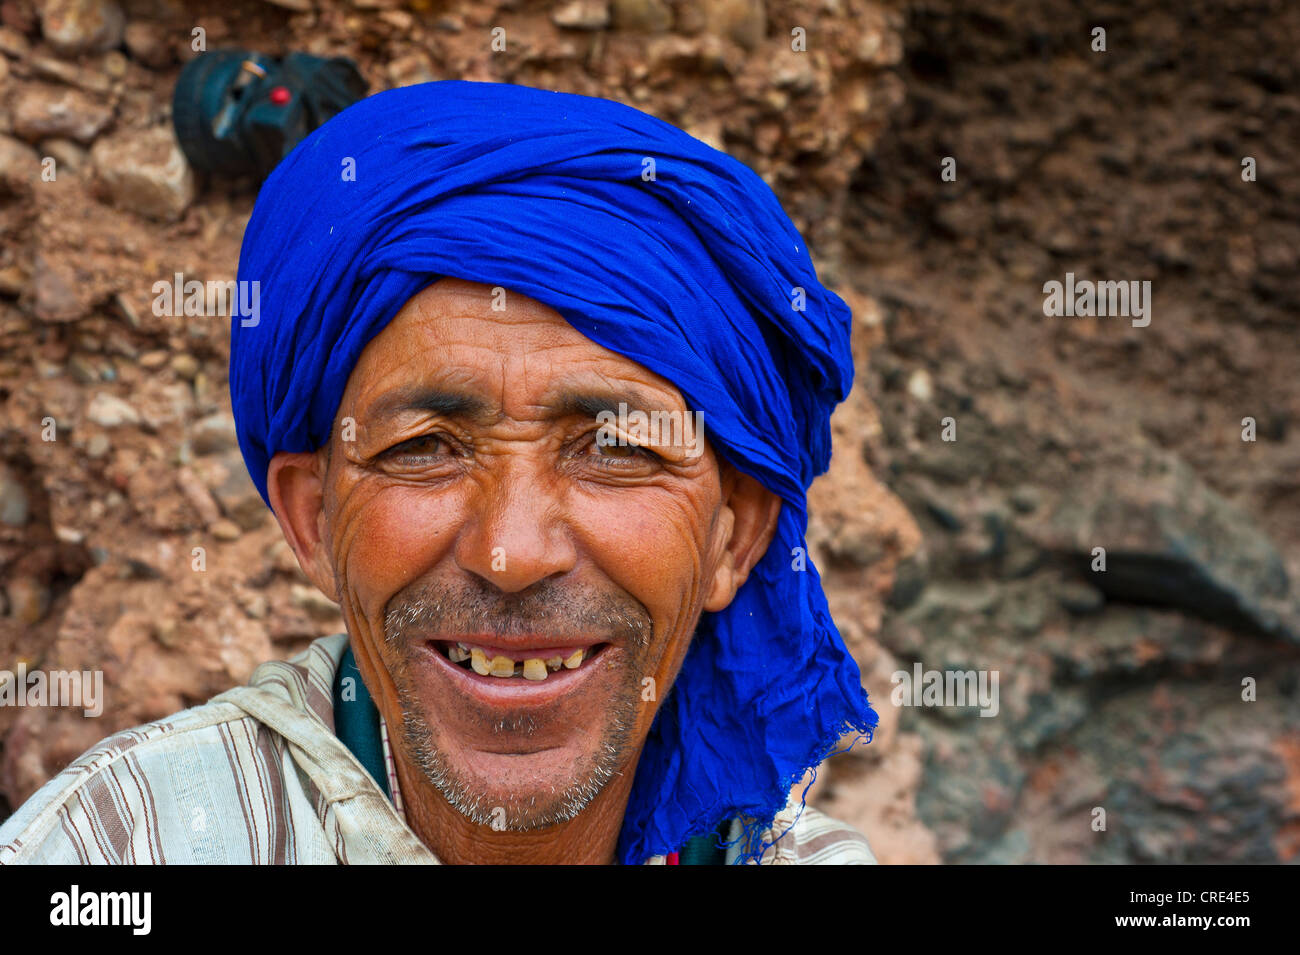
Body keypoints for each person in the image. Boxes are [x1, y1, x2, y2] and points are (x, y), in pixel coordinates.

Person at [0, 80, 879, 865]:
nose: (512, 552)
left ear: (735, 535)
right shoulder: (120, 844)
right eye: (423, 448)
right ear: (313, 520)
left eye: (615, 449)